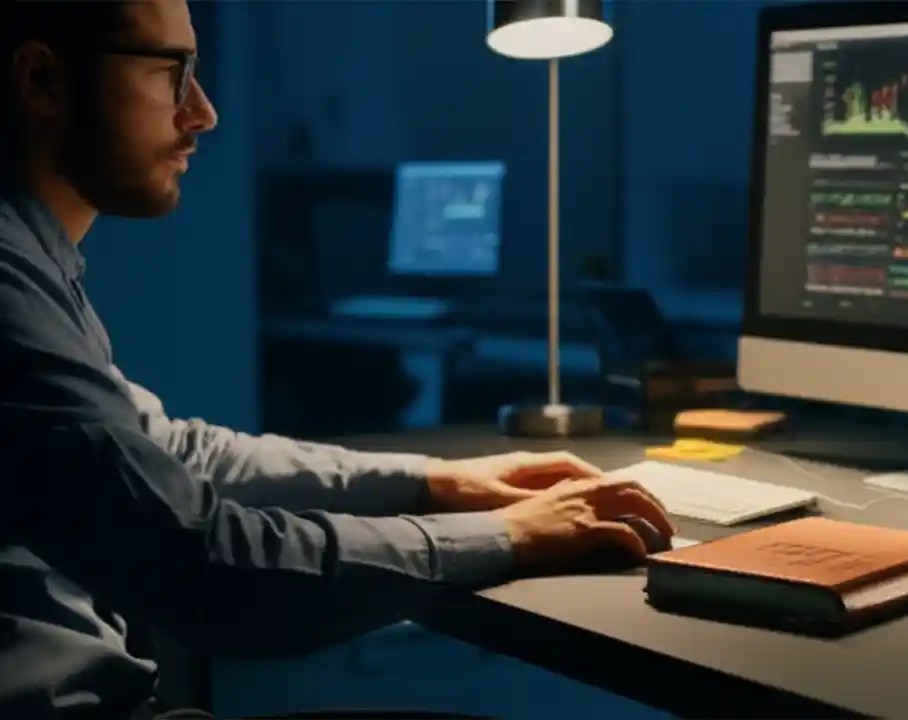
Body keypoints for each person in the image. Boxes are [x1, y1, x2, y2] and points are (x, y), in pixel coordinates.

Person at [0, 1, 675, 718]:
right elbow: (206, 566)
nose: (203, 112)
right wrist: (507, 535)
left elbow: (177, 454)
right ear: (42, 80)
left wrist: (437, 482)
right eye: (174, 71)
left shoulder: (40, 269)